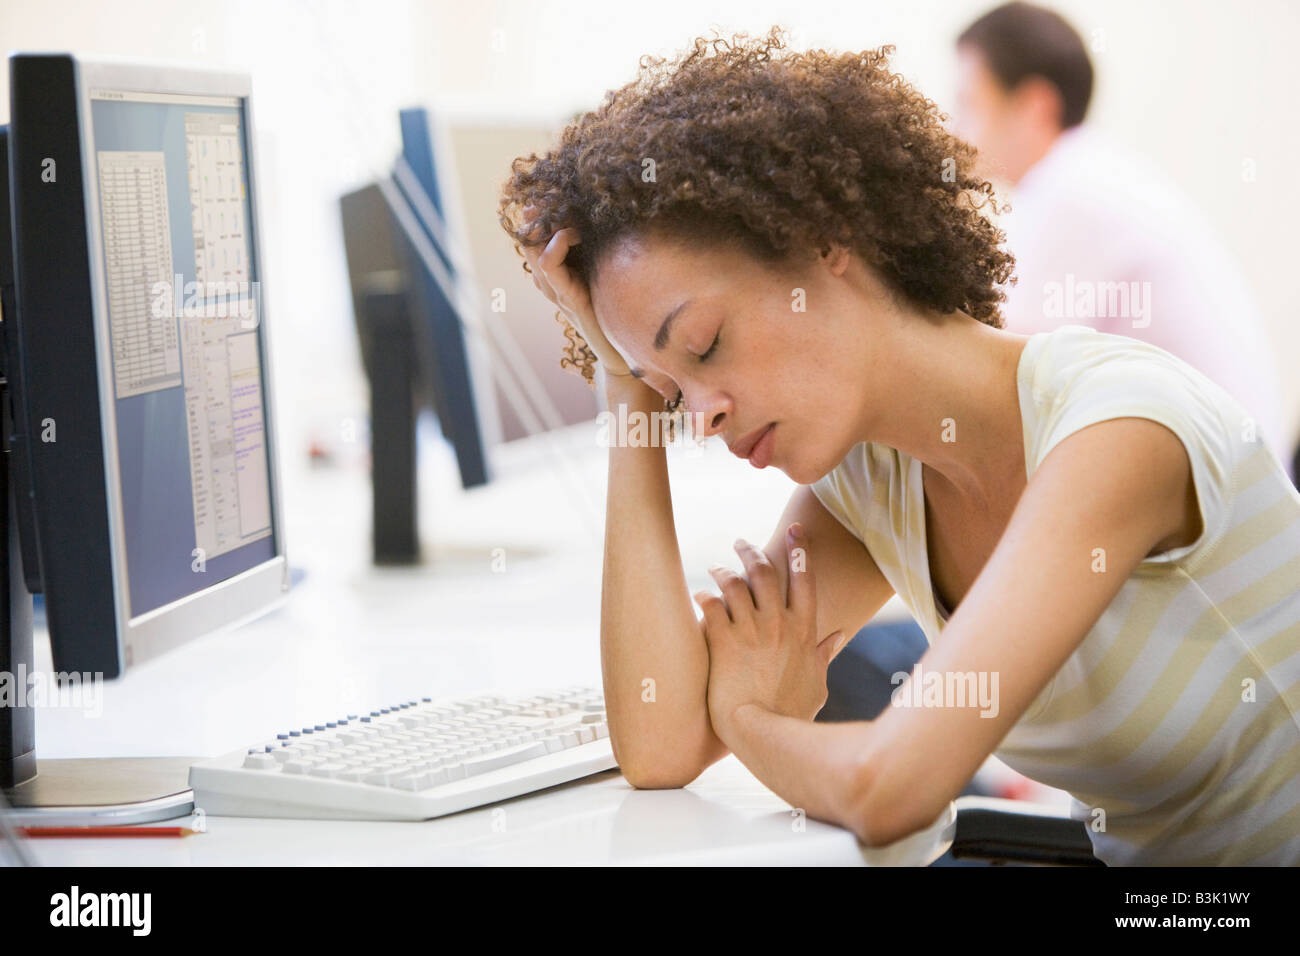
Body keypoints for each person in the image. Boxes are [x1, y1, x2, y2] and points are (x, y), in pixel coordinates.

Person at [498, 27, 1300, 865]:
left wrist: (748, 716)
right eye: (674, 392)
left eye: (702, 347)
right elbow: (662, 745)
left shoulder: (1119, 429)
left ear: (823, 239)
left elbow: (894, 788)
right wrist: (630, 388)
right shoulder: (876, 479)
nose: (698, 415)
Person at [953, 2, 1294, 480]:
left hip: (1225, 501)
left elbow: (999, 371)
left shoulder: (1071, 191)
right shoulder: (1097, 171)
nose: (954, 131)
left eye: (968, 104)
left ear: (1034, 106)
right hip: (1241, 481)